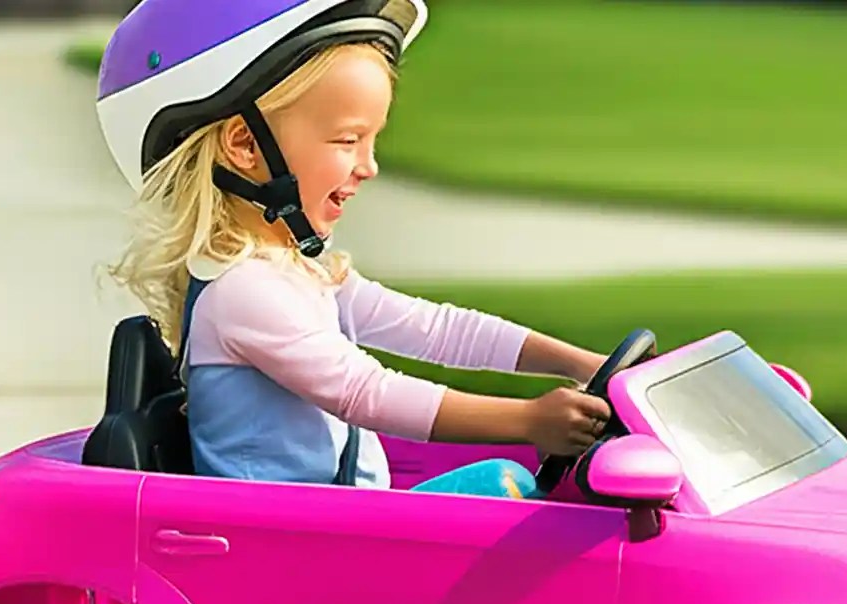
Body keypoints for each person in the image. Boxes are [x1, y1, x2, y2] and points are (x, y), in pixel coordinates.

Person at [96, 0, 611, 499]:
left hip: (337, 528)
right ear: (246, 147)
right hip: (283, 555)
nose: (369, 167)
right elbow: (365, 393)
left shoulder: (297, 269)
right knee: (510, 490)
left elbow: (435, 330)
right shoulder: (243, 293)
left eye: (372, 141)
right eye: (347, 141)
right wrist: (528, 422)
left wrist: (579, 362)